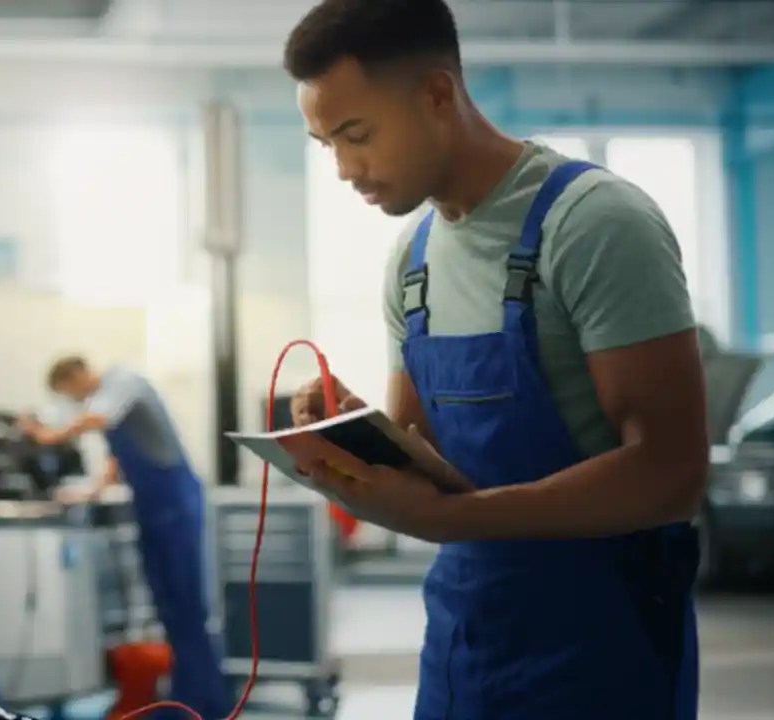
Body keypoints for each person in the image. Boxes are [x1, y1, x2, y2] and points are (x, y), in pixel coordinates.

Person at [283, 2, 707, 719]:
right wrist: (351, 432)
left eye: (357, 135)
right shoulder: (411, 260)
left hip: (601, 654)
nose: (344, 168)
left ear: (438, 94)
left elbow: (671, 474)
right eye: (326, 143)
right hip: (464, 647)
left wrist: (463, 520)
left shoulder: (595, 225)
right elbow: (424, 452)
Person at [18, 357, 231, 720]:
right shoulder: (109, 399)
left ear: (76, 375)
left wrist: (48, 435)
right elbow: (118, 458)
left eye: (69, 393)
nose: (75, 401)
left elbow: (100, 418)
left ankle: (202, 705)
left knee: (187, 608)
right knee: (168, 609)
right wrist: (91, 490)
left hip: (176, 505)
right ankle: (190, 700)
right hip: (152, 509)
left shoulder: (123, 381)